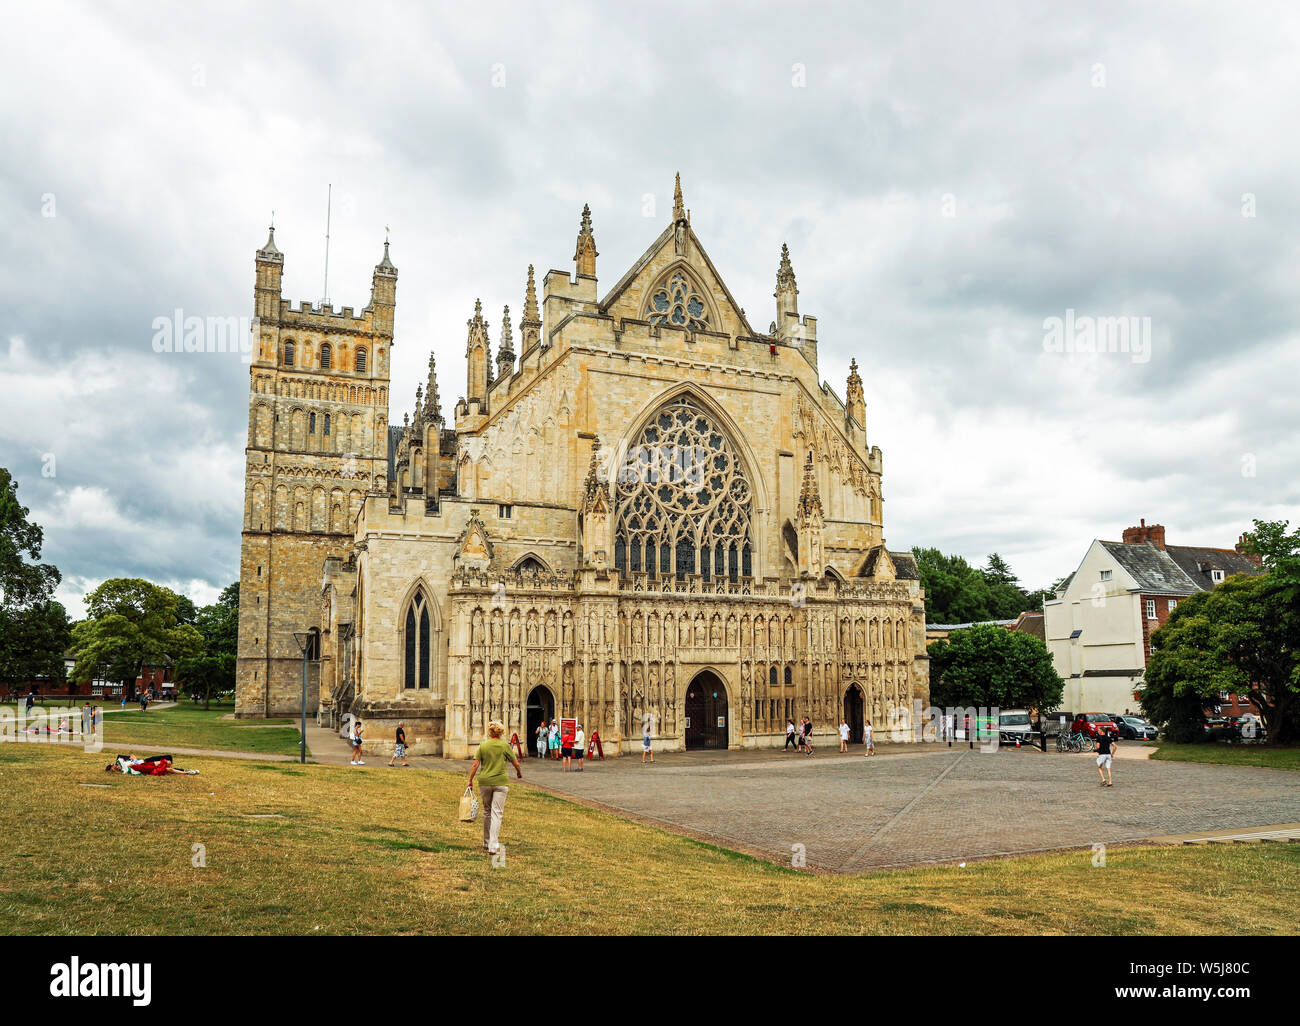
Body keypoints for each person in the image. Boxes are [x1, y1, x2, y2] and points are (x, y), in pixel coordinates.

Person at [467, 720, 522, 855]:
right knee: (497, 813)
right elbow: (516, 763)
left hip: (485, 782)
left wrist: (470, 780)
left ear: (490, 732)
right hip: (500, 782)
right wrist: (519, 773)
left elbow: (475, 765)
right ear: (501, 732)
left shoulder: (483, 745)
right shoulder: (504, 746)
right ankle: (493, 845)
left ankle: (486, 842)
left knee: (487, 812)